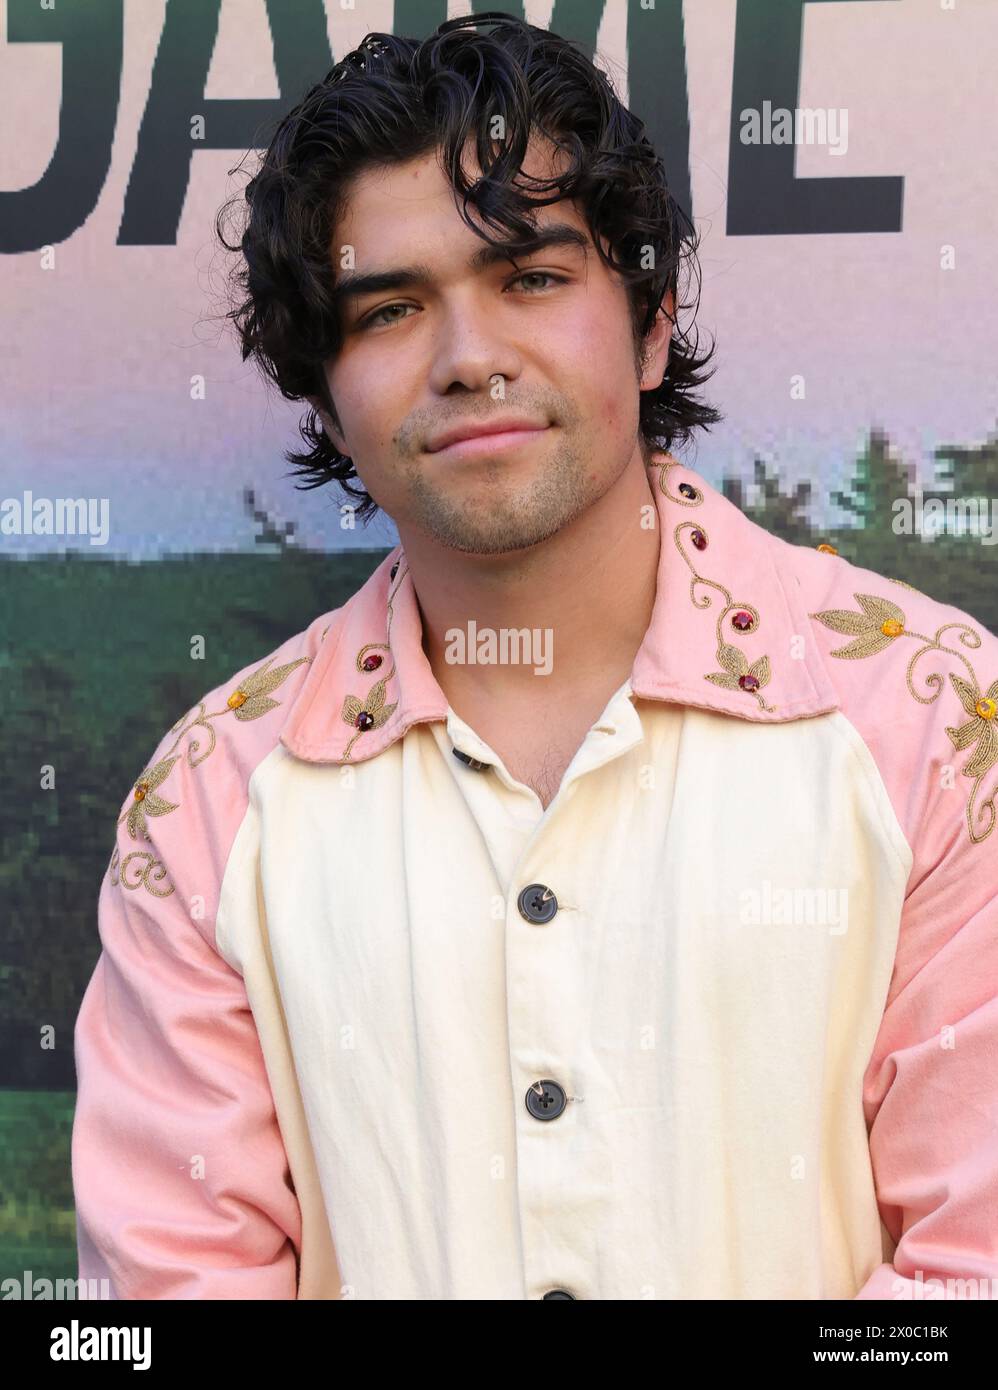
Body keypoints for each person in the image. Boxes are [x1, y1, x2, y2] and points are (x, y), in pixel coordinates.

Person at [72, 12, 998, 1300]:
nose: (469, 359)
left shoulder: (937, 719)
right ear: (325, 387)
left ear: (652, 320)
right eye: (390, 308)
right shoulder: (213, 807)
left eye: (531, 277)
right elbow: (173, 1292)